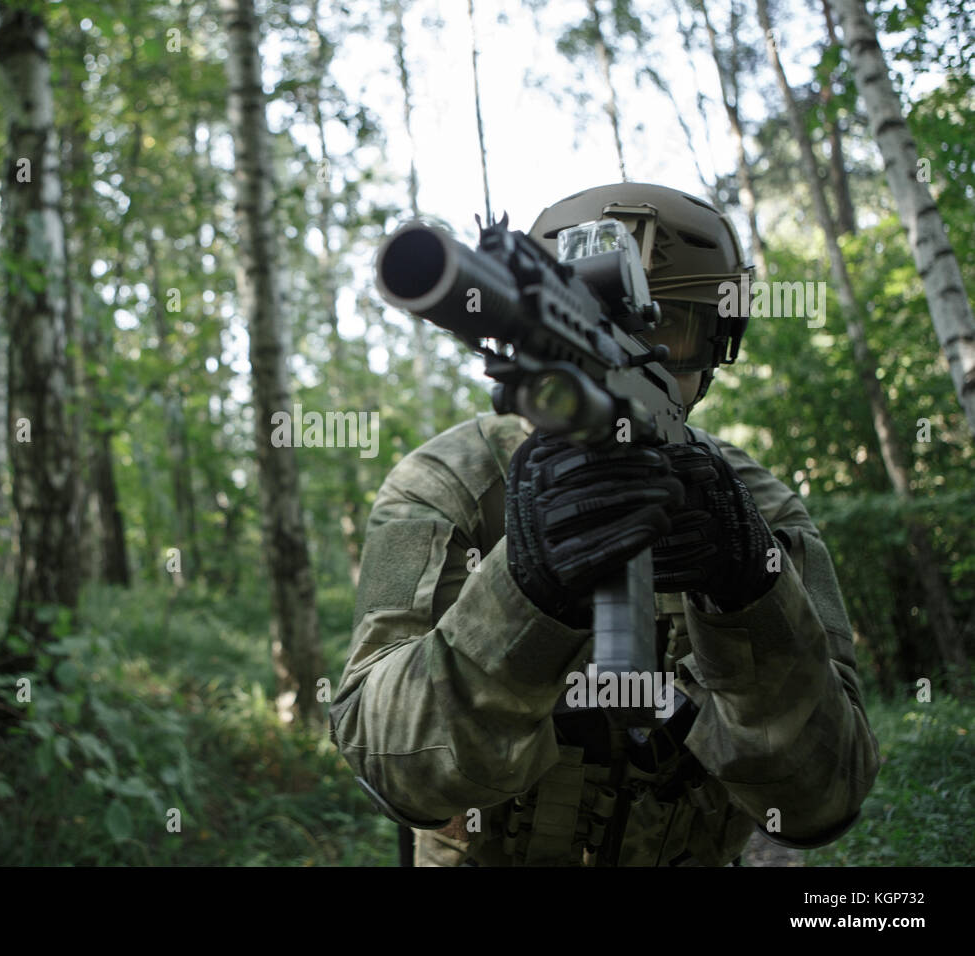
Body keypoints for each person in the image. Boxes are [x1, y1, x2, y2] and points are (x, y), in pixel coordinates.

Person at [329, 182, 881, 866]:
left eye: (669, 327)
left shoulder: (758, 510)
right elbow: (395, 771)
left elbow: (822, 801)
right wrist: (523, 589)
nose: (637, 349)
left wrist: (749, 598)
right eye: (602, 326)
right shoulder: (447, 486)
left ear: (715, 349)